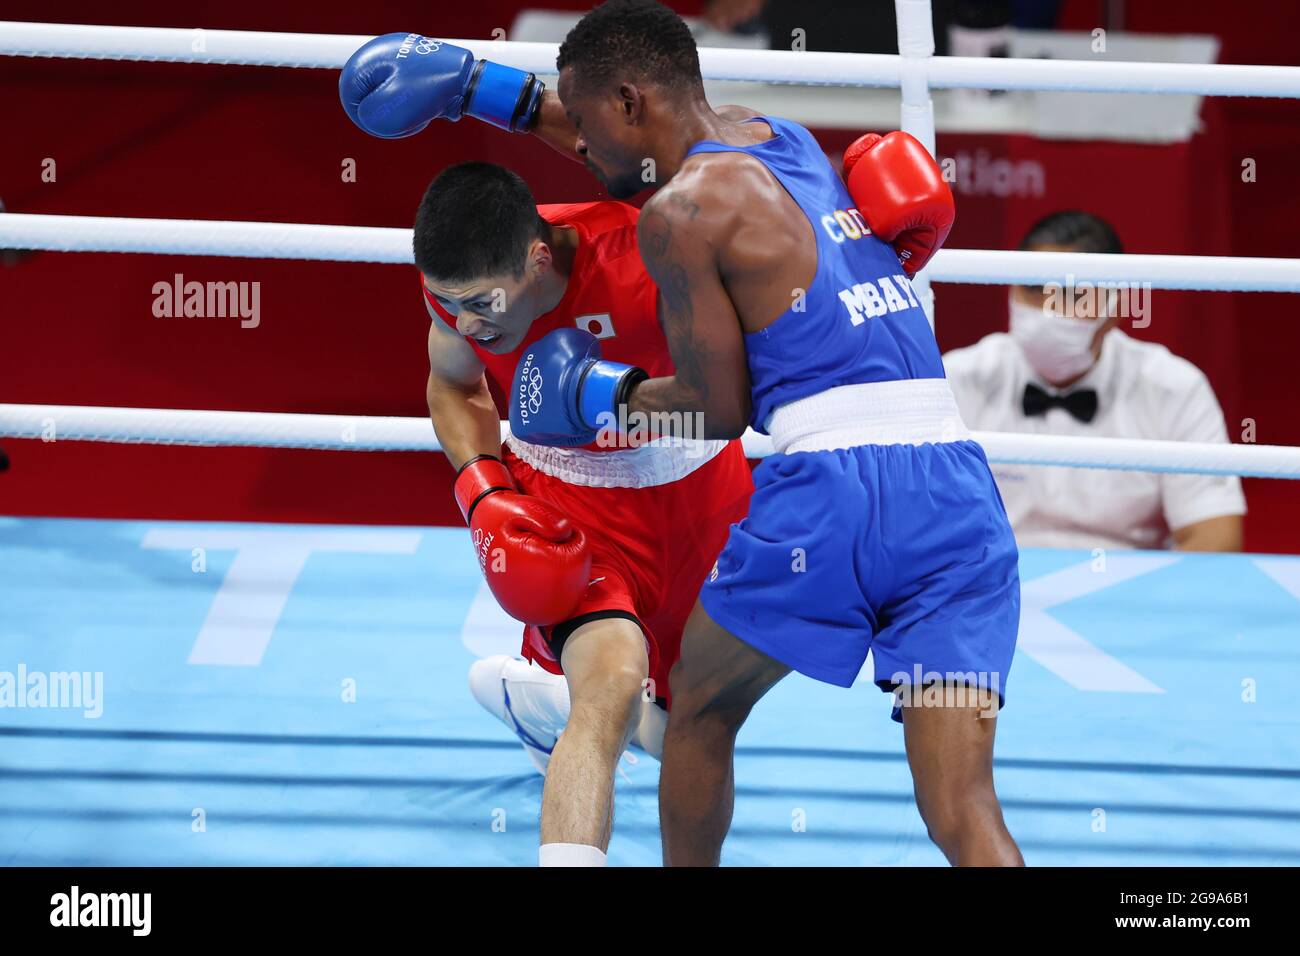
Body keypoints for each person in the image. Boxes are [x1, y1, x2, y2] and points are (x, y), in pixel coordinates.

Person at [505, 0, 1023, 866]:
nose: (584, 147)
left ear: (630, 101)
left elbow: (717, 410)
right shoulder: (778, 136)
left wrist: (601, 396)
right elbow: (626, 142)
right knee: (965, 809)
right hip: (957, 494)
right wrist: (490, 94)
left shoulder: (679, 215)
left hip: (836, 492)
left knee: (700, 709)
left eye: (589, 120)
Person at [943, 211, 1246, 552]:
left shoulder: (1174, 387)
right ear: (1011, 291)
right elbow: (921, 526)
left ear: (1116, 304)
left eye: (1074, 294)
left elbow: (1214, 538)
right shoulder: (958, 378)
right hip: (991, 588)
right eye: (1033, 287)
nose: (1048, 309)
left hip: (1127, 594)